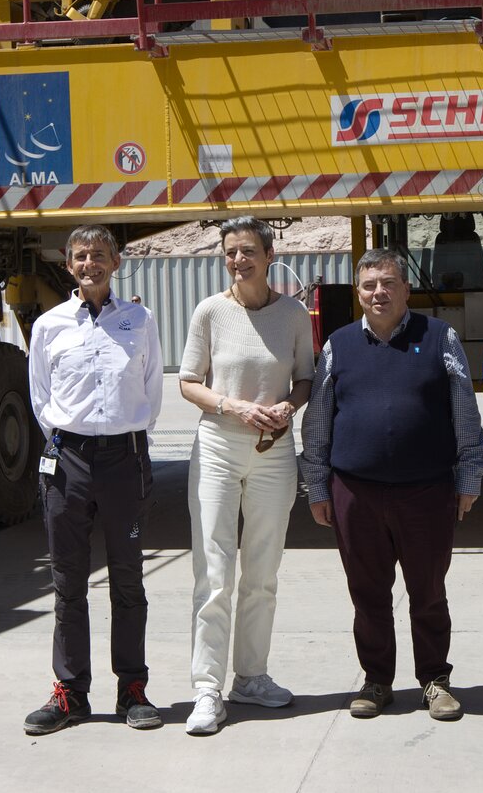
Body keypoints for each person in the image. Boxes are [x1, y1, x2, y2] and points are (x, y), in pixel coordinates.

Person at [300, 248, 483, 721]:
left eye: (388, 283)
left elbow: (463, 408)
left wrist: (468, 476)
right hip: (355, 492)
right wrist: (318, 486)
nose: (378, 292)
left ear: (405, 289)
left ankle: (435, 681)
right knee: (367, 594)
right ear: (358, 293)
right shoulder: (338, 344)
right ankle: (377, 680)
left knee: (427, 592)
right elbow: (319, 420)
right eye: (368, 285)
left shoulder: (440, 336)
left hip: (427, 492)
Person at [23, 224, 164, 735]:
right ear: (69, 265)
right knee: (68, 583)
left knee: (128, 579)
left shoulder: (140, 320)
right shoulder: (49, 326)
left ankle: (132, 689)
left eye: (100, 255)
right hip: (69, 463)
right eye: (81, 256)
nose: (91, 264)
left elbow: (150, 392)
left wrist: (120, 438)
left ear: (117, 262)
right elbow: (42, 398)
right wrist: (72, 443)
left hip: (124, 460)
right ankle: (70, 693)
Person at [178, 216, 314, 735]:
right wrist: (232, 407)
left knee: (262, 572)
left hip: (275, 452)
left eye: (248, 251)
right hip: (216, 447)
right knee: (213, 572)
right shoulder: (210, 312)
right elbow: (190, 383)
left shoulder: (294, 314)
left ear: (269, 254)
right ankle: (206, 689)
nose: (239, 260)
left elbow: (305, 376)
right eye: (231, 252)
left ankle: (251, 677)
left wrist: (289, 407)